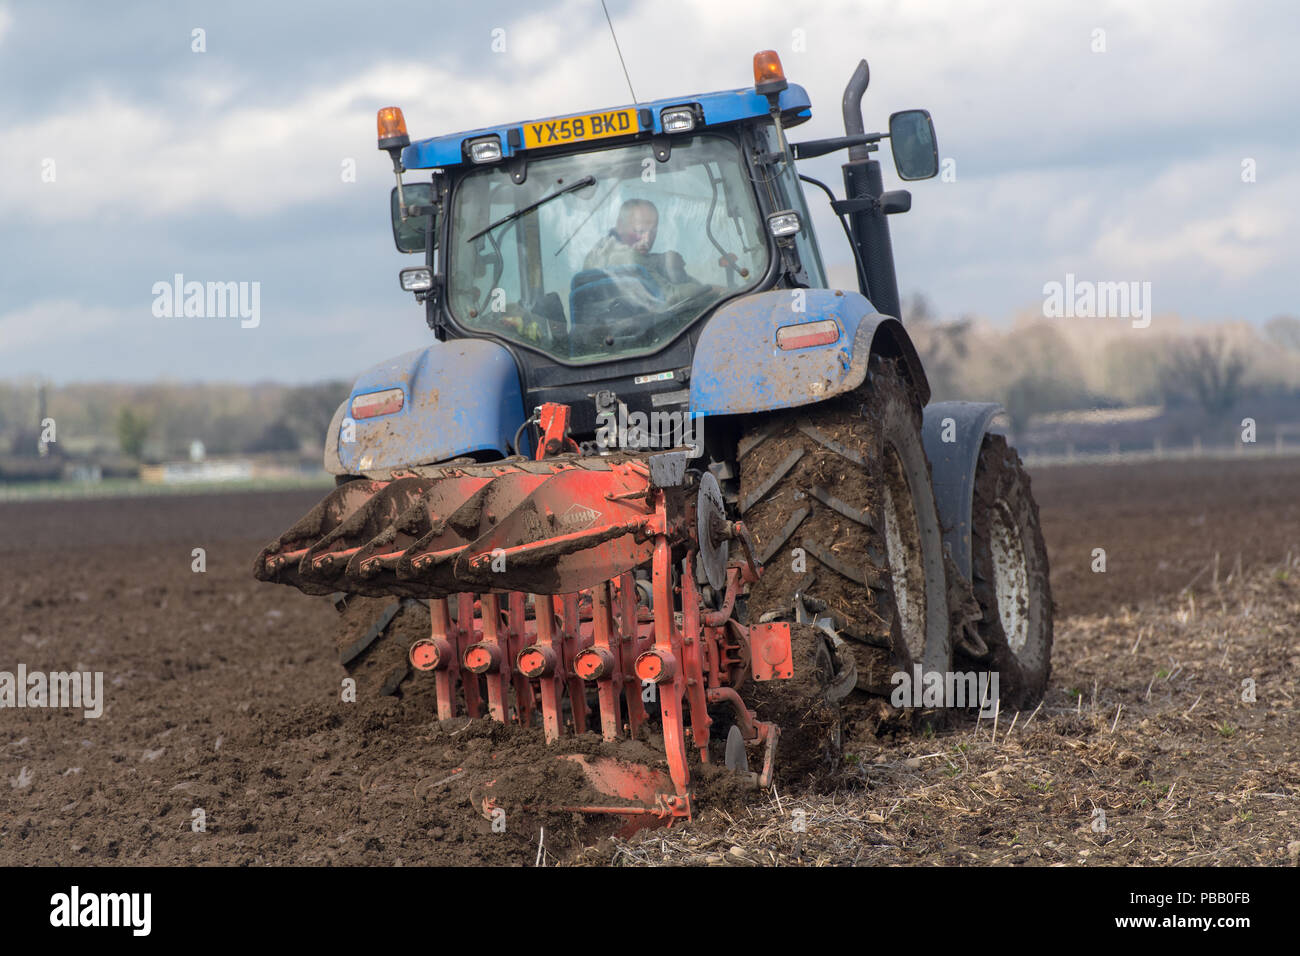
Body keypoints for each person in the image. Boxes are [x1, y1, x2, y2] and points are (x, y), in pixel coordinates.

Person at [583, 199, 706, 300]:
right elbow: (668, 297)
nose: (647, 240)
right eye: (639, 231)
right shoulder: (629, 257)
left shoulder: (598, 253)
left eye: (652, 232)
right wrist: (711, 290)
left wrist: (661, 259)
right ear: (620, 226)